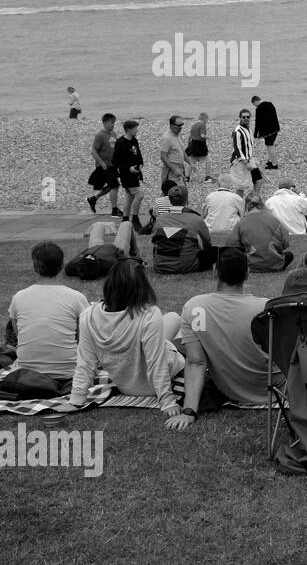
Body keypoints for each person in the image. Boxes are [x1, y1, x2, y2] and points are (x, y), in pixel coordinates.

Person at [169, 249, 280, 429]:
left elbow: (196, 362)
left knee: (179, 343)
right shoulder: (266, 308)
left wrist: (189, 411)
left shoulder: (195, 307)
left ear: (215, 272)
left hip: (230, 388)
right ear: (248, 274)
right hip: (273, 390)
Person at [69, 259, 186, 407]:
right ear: (142, 287)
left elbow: (85, 363)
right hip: (161, 377)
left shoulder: (88, 316)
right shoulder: (149, 314)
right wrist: (167, 401)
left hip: (126, 386)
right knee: (176, 320)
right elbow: (157, 361)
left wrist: (76, 399)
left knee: (171, 322)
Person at [5, 242, 90, 384]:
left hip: (26, 373)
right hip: (67, 373)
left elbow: (18, 334)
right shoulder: (76, 298)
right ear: (62, 266)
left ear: (34, 267)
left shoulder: (19, 297)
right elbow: (86, 339)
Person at [152, 185, 218, 275]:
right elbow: (206, 244)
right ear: (186, 199)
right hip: (187, 266)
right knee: (214, 251)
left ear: (170, 200)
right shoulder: (196, 219)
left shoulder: (160, 219)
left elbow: (154, 241)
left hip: (161, 266)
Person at [233, 194, 294, 272]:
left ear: (247, 206)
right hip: (275, 263)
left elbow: (233, 245)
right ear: (262, 204)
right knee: (289, 255)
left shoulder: (241, 223)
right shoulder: (274, 219)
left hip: (250, 265)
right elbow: (286, 242)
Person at [113, 119, 147, 231]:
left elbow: (138, 153)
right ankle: (135, 219)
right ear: (128, 130)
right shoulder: (120, 142)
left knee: (129, 196)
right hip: (126, 174)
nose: (137, 130)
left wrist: (141, 164)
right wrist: (128, 168)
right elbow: (115, 161)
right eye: (135, 128)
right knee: (139, 195)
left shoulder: (134, 140)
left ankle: (125, 219)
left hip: (135, 173)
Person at [87, 113, 121, 216]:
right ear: (105, 123)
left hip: (113, 164)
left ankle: (93, 198)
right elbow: (93, 150)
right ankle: (114, 210)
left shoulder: (113, 133)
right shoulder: (100, 135)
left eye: (114, 123)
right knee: (115, 186)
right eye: (111, 123)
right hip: (105, 165)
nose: (113, 125)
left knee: (112, 186)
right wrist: (101, 163)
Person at [202, 173, 245, 247]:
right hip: (229, 231)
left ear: (218, 184)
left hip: (211, 230)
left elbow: (204, 215)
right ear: (232, 185)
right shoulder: (236, 198)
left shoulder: (210, 197)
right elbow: (243, 215)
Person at [230, 108, 260, 197]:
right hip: (240, 161)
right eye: (244, 117)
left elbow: (249, 146)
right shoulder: (238, 131)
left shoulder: (249, 129)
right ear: (240, 118)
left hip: (249, 159)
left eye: (248, 117)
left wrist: (252, 159)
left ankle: (255, 200)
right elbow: (237, 149)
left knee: (259, 180)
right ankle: (239, 204)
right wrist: (246, 162)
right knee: (241, 186)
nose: (246, 118)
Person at [160, 115, 188, 196]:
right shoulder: (166, 138)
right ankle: (160, 206)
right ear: (172, 125)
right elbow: (163, 156)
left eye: (182, 125)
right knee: (174, 193)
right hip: (171, 170)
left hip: (180, 168)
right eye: (179, 126)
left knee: (178, 192)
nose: (181, 128)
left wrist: (190, 163)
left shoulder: (177, 135)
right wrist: (174, 169)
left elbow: (181, 151)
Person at [251, 95, 281, 169]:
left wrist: (255, 134)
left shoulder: (259, 109)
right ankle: (271, 160)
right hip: (275, 129)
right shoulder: (270, 104)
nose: (255, 106)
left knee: (270, 147)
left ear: (255, 101)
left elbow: (257, 123)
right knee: (269, 146)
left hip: (268, 132)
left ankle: (274, 164)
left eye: (254, 104)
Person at [187, 112, 212, 183]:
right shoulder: (202, 124)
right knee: (208, 160)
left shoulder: (194, 125)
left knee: (191, 161)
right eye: (207, 120)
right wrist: (208, 137)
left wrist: (188, 145)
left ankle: (187, 177)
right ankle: (208, 177)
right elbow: (202, 135)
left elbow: (190, 136)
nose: (207, 121)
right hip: (200, 145)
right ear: (205, 119)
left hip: (193, 144)